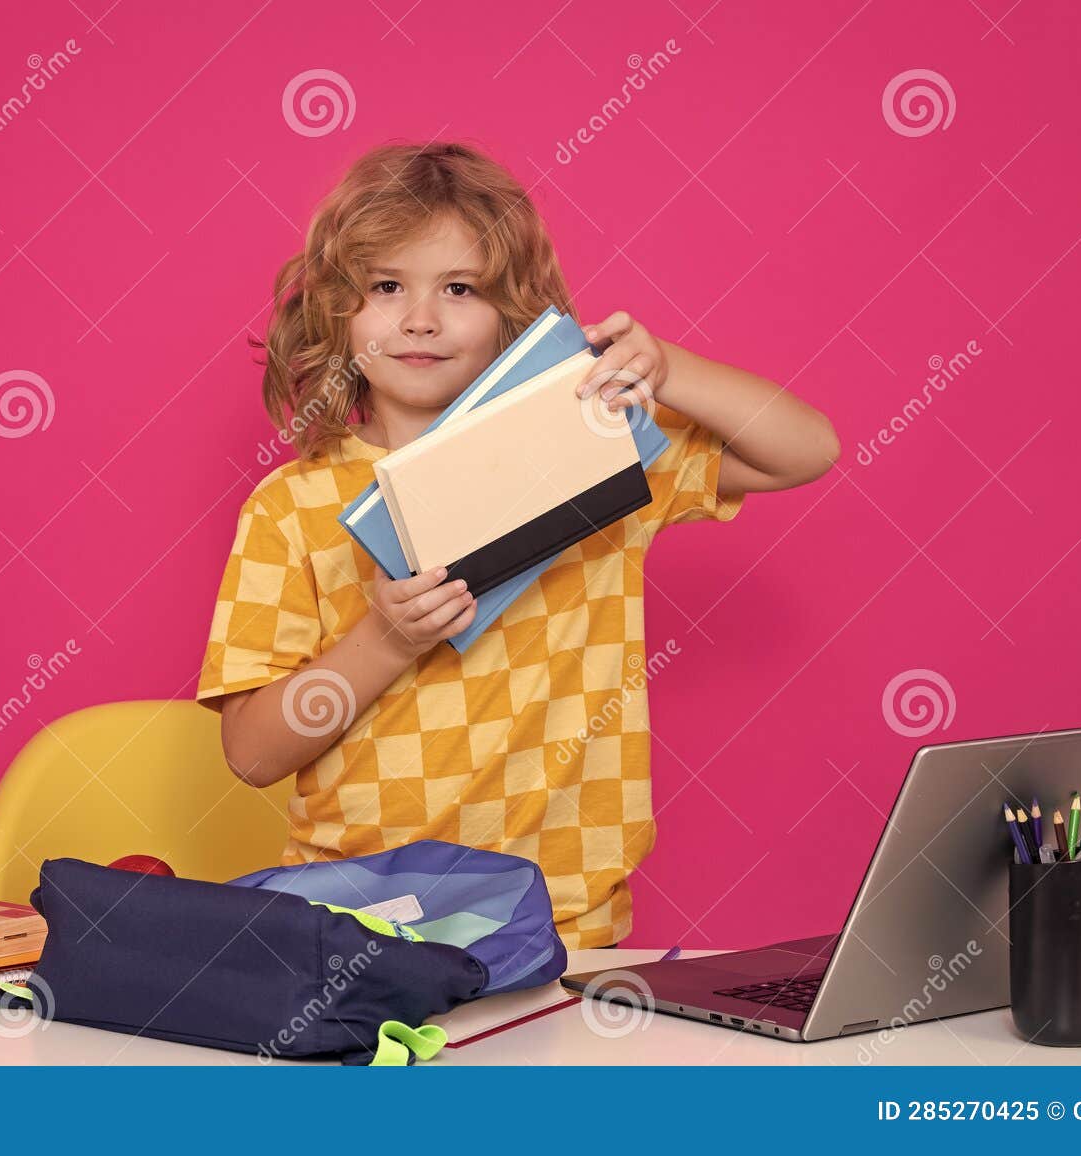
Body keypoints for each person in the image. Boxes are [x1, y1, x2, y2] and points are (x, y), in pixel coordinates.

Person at [196, 142, 838, 949]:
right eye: (386, 287)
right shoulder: (289, 508)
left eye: (458, 289)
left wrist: (667, 370)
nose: (421, 319)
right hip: (359, 926)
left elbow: (806, 448)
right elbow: (252, 755)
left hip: (562, 926)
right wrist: (385, 639)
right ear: (336, 310)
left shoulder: (592, 456)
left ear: (513, 314)